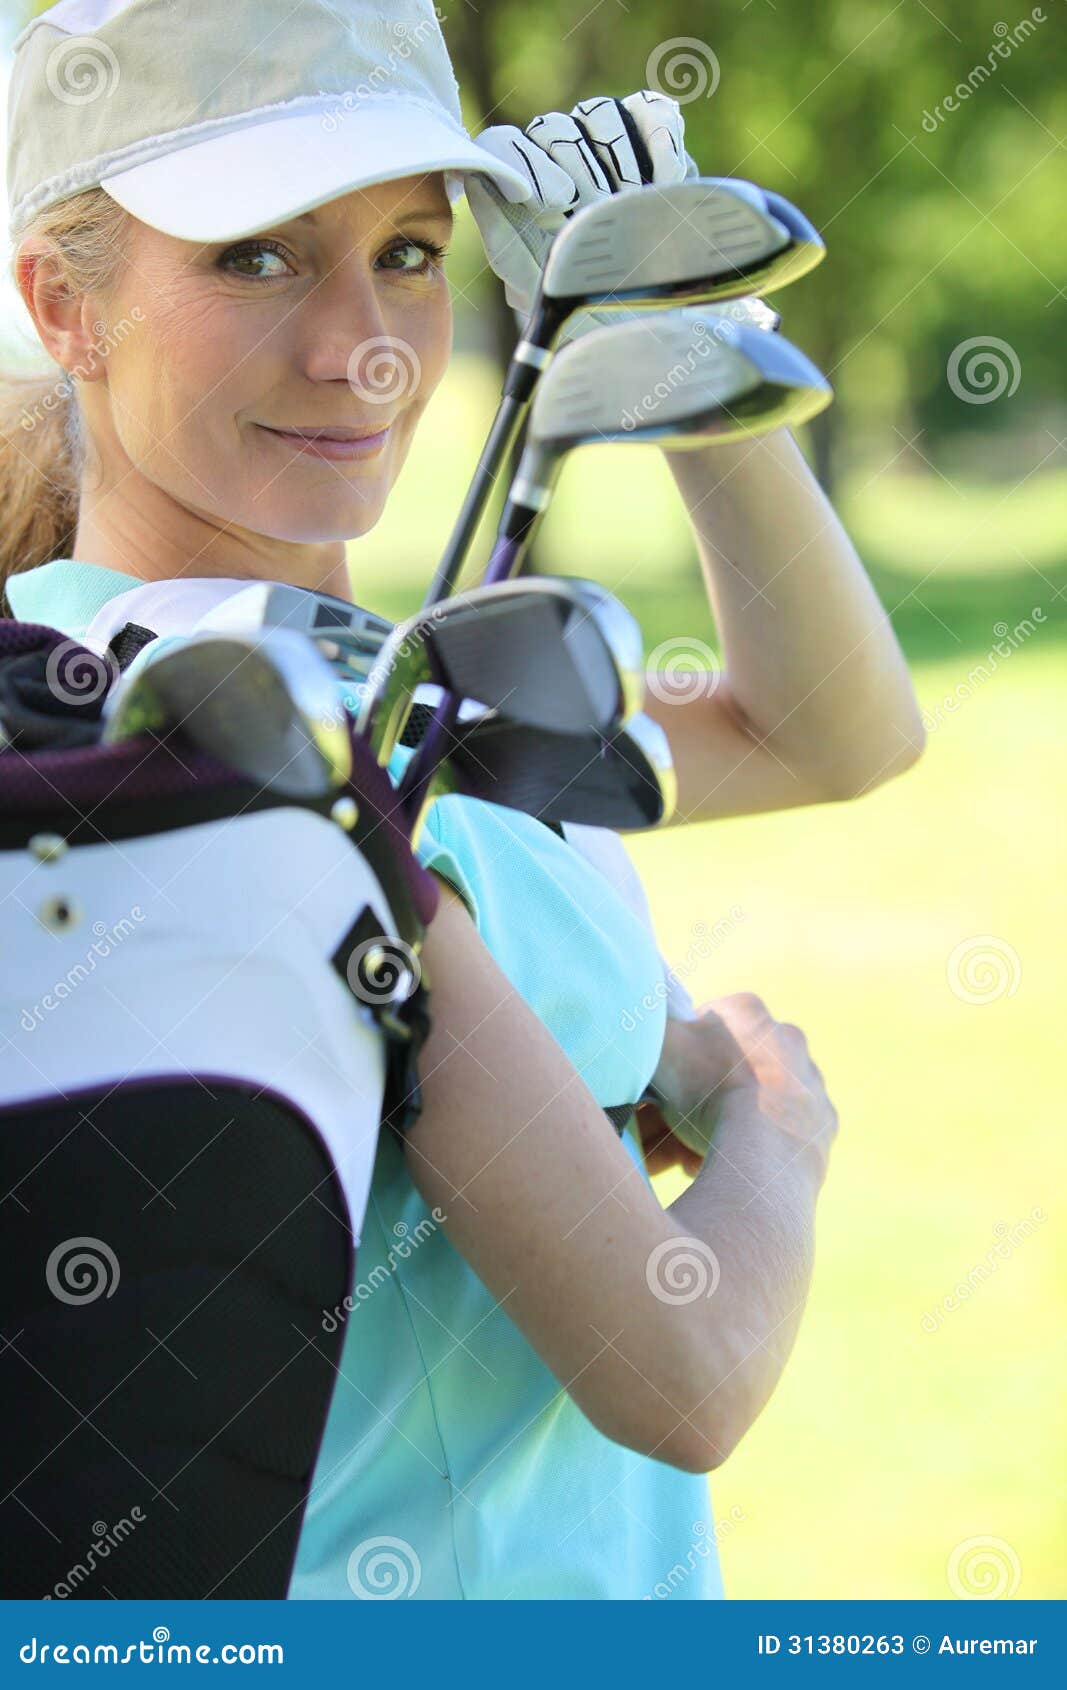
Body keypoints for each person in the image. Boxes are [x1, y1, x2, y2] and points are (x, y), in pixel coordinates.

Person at [0, 0, 920, 1600]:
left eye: (414, 253)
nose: (360, 342)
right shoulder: (220, 742)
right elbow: (682, 1365)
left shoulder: (352, 674)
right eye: (259, 258)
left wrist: (667, 337)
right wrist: (777, 1113)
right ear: (63, 306)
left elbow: (832, 730)